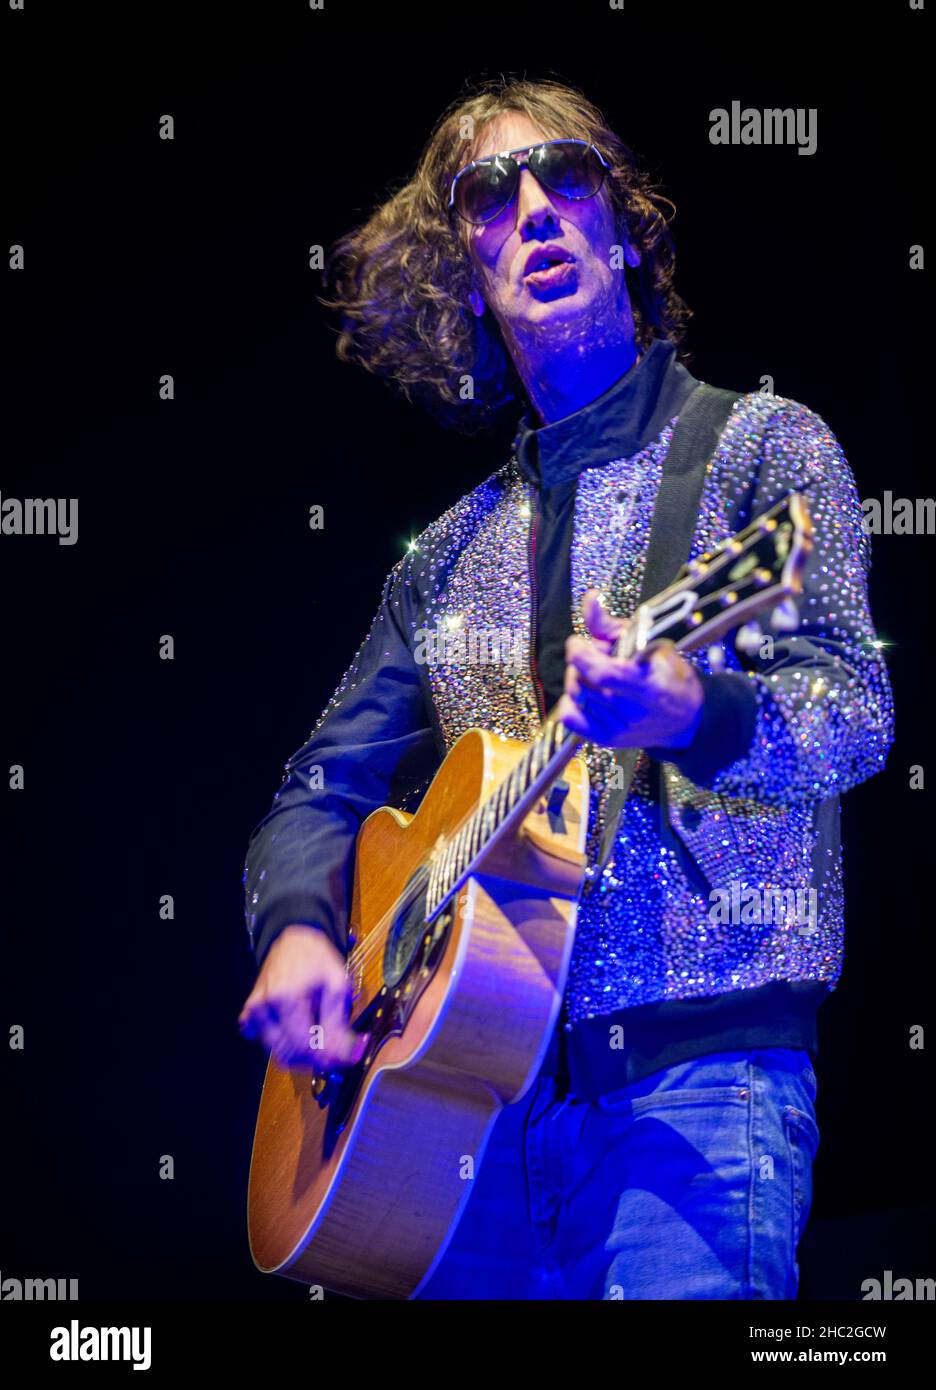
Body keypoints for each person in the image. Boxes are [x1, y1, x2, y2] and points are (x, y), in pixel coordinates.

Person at [238, 77, 894, 1299]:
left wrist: (692, 711)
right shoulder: (445, 555)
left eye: (567, 175)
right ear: (464, 268)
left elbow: (856, 710)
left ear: (625, 224)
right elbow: (318, 786)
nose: (533, 207)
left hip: (698, 1104)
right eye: (489, 193)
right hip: (466, 1125)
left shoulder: (763, 448)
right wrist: (293, 934)